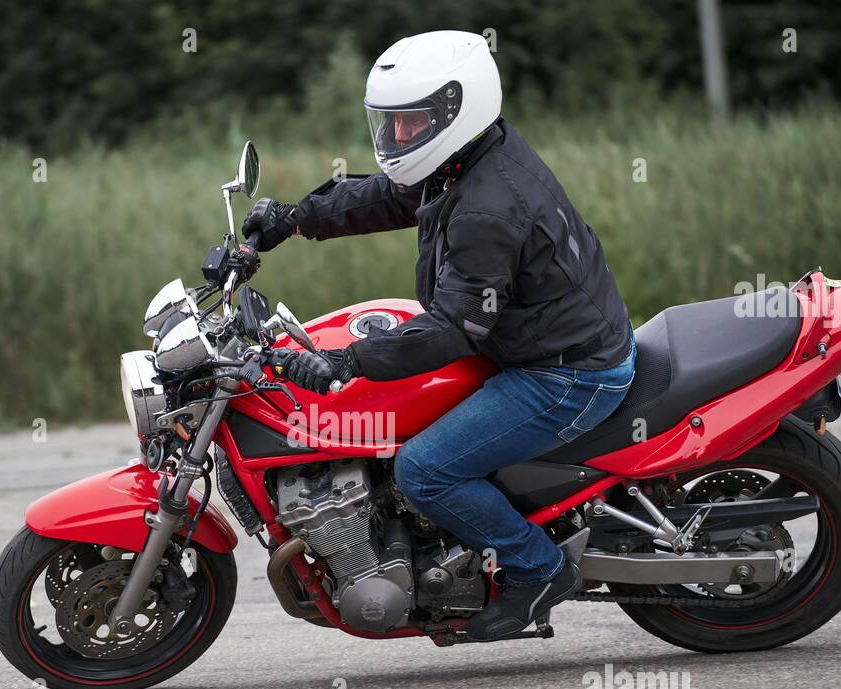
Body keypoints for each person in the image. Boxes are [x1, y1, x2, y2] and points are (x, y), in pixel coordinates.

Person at [243, 30, 636, 641]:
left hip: (567, 372)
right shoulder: (469, 158)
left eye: (413, 123)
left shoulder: (487, 206)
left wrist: (346, 362)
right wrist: (294, 219)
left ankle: (538, 571)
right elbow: (390, 195)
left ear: (459, 108)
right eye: (391, 124)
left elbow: (453, 327)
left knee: (424, 470)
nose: (398, 138)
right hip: (535, 341)